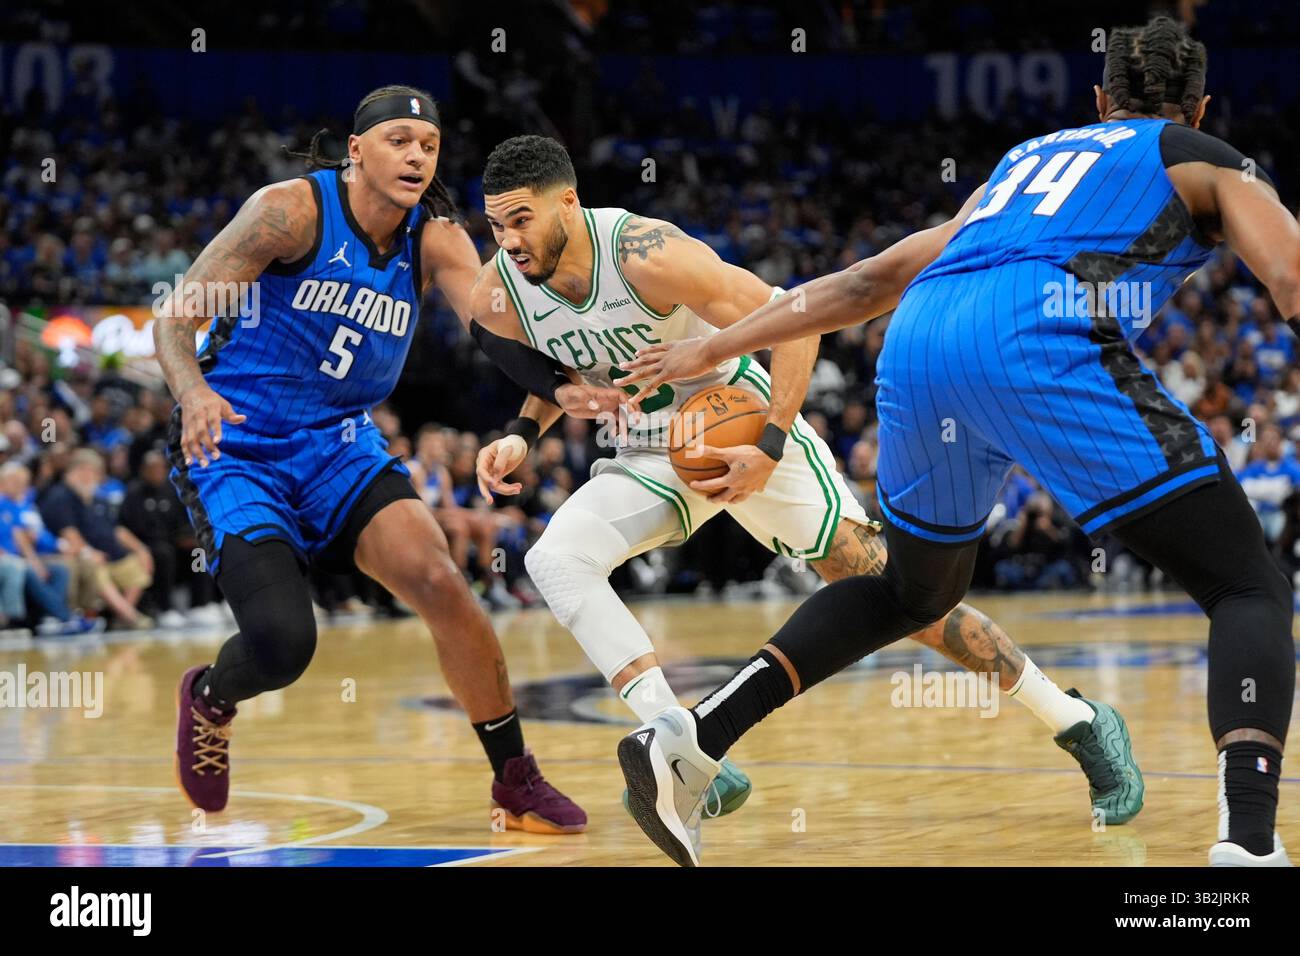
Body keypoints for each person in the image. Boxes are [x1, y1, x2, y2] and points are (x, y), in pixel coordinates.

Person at [617, 16, 1296, 866]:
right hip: (1036, 332)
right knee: (1245, 585)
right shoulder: (1201, 152)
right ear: (1200, 105)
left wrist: (715, 345)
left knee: (912, 590)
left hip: (922, 336)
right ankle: (1247, 843)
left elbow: (871, 279)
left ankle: (690, 742)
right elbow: (1291, 275)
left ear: (1096, 102)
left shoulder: (1022, 163)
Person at [470, 134, 1142, 829]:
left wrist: (769, 442)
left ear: (569, 204)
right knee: (556, 560)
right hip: (653, 450)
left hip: (743, 422)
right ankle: (686, 750)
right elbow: (561, 368)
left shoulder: (645, 253)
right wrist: (522, 431)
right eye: (495, 224)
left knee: (902, 596)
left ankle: (1078, 720)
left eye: (521, 219)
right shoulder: (510, 283)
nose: (509, 241)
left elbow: (794, 322)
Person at [152, 84, 618, 832]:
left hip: (340, 443)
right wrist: (194, 391)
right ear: (358, 150)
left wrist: (565, 386)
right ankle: (211, 696)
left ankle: (515, 778)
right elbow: (177, 316)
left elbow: (493, 329)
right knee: (283, 643)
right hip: (235, 443)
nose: (415, 156)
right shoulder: (290, 210)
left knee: (440, 578)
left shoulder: (434, 238)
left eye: (428, 145)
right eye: (398, 140)